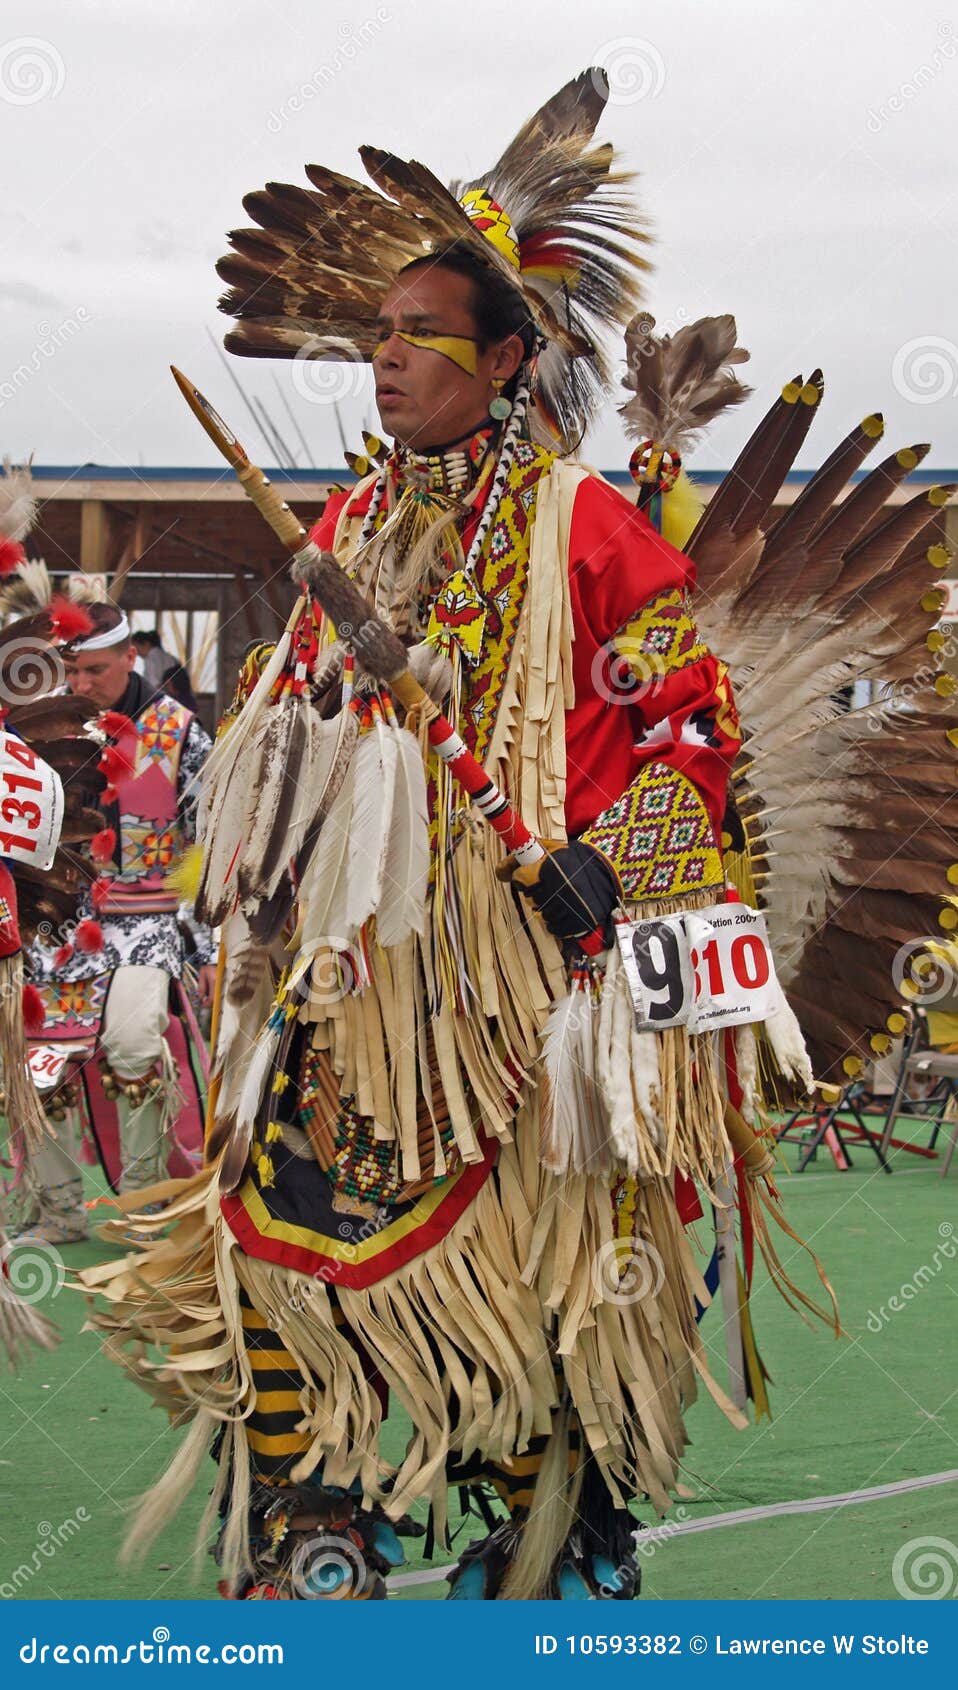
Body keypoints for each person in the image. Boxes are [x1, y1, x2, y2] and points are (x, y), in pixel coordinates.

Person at [80, 71, 819, 1601]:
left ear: (502, 361)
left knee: (522, 1265)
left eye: (422, 334)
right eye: (376, 334)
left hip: (516, 971)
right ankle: (310, 1521)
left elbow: (697, 737)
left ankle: (548, 1540)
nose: (386, 357)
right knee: (272, 1229)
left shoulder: (583, 526)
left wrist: (604, 872)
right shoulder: (348, 531)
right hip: (353, 971)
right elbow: (282, 741)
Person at [23, 600, 217, 1243]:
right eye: (71, 672)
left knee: (134, 1044)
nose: (81, 685)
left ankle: (140, 1201)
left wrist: (205, 945)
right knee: (34, 1063)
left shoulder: (180, 732)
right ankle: (58, 1213)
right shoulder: (46, 729)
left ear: (131, 655)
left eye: (95, 672)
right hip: (60, 924)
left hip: (151, 920)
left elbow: (209, 844)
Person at [131, 627, 177, 696]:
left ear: (147, 644)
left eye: (136, 647)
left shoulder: (150, 659)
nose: (136, 652)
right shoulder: (168, 657)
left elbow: (154, 684)